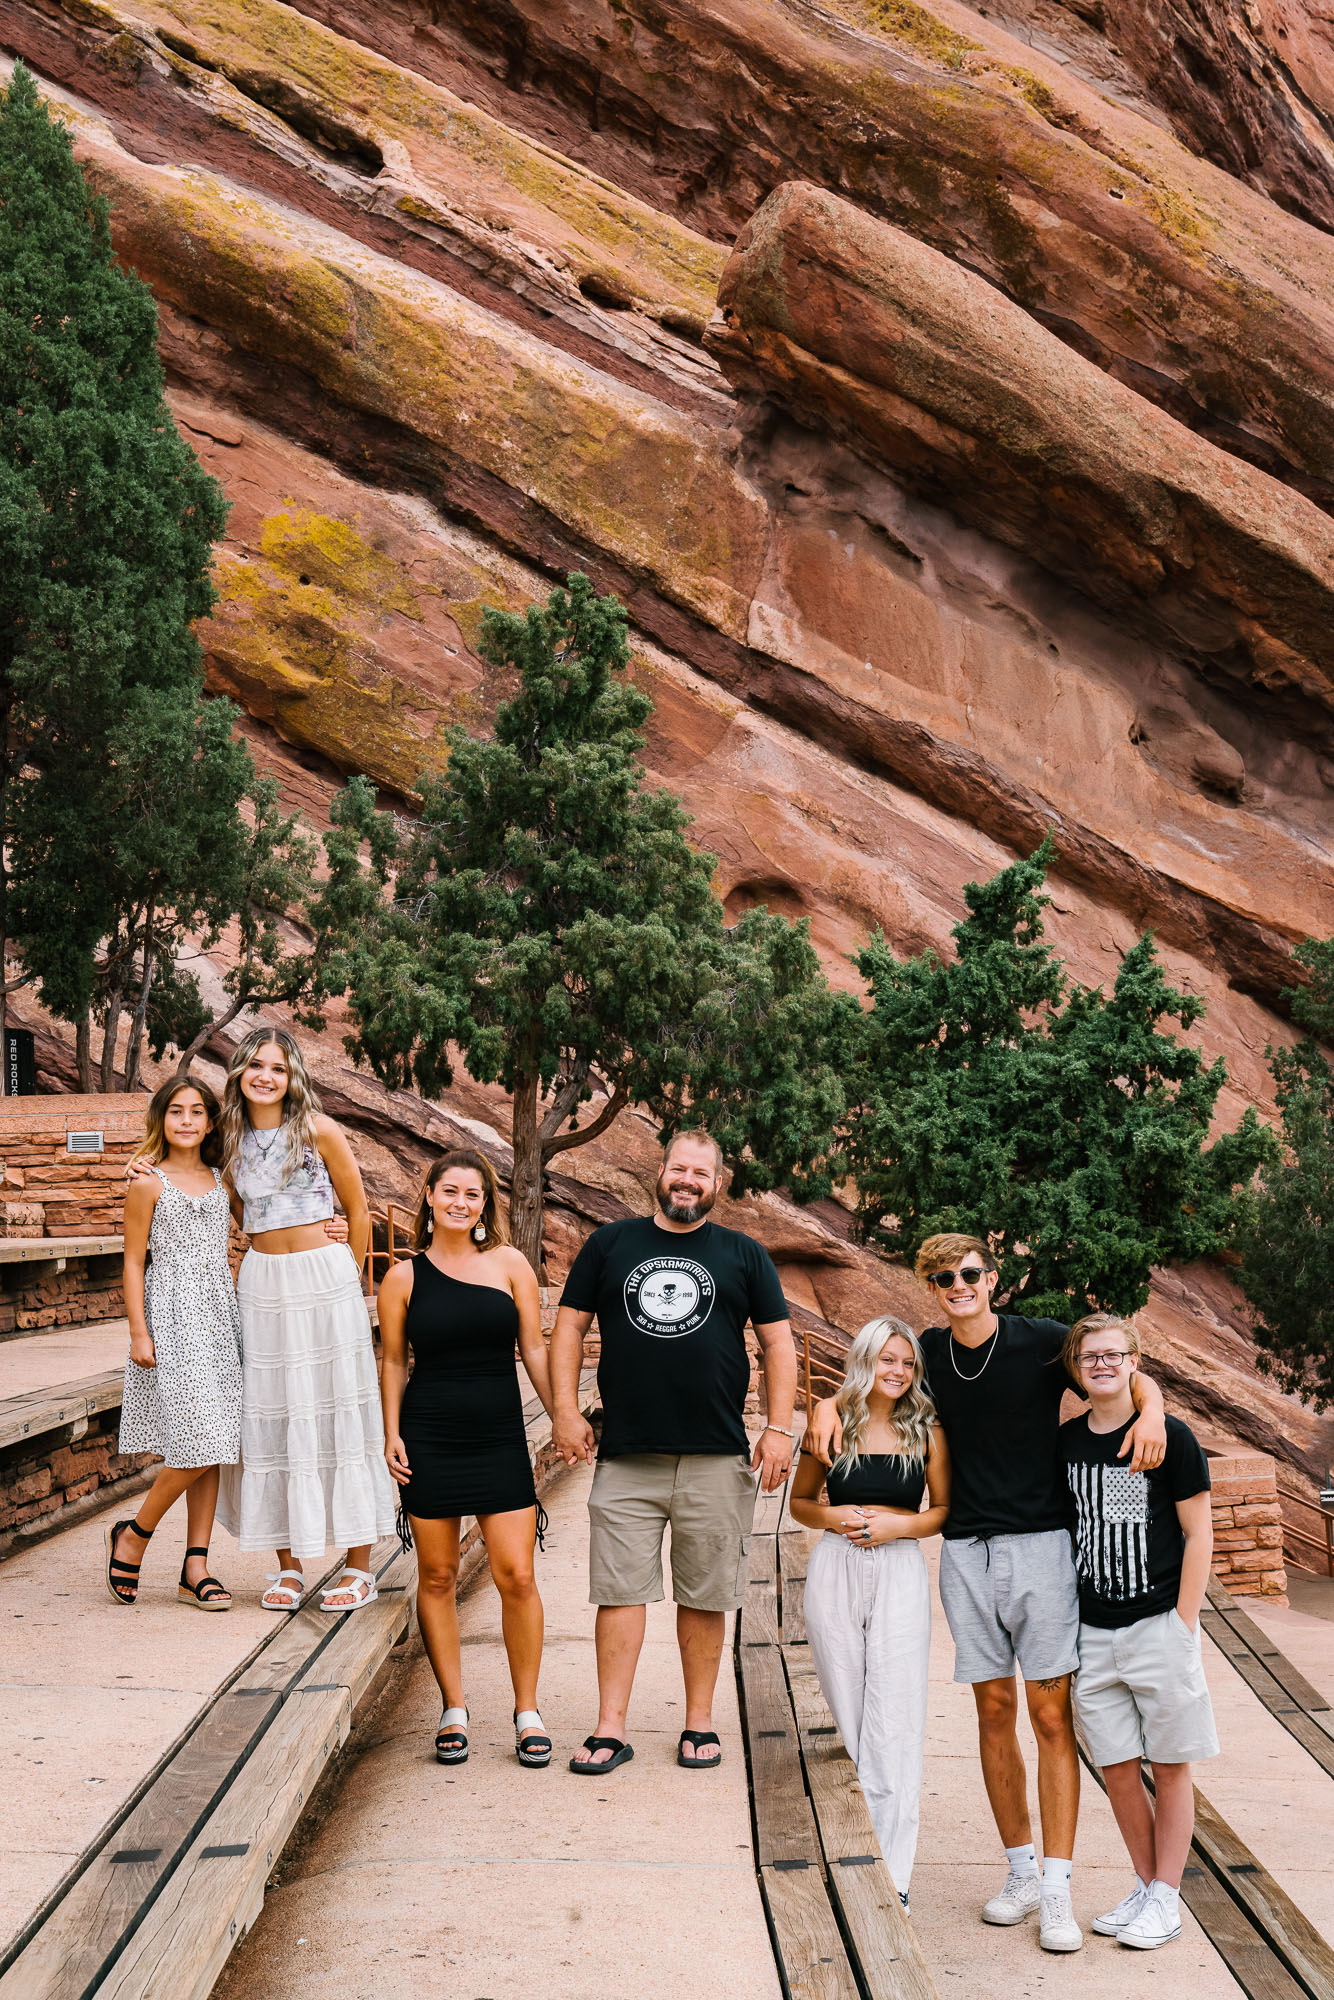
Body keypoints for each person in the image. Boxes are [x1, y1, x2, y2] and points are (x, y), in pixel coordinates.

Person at [807, 1232, 1167, 1953]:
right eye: (943, 1277)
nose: (957, 1284)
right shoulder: (930, 1355)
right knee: (994, 1709)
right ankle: (1021, 1871)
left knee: (1051, 1715)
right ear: (933, 1288)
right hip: (966, 1550)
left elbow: (1116, 1359)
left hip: (1041, 1546)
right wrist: (819, 1405)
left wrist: (1150, 1407)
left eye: (969, 1273)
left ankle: (1060, 1891)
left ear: (993, 1278)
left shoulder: (1041, 1341)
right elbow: (868, 1385)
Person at [550, 1128, 796, 1773]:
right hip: (627, 1454)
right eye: (679, 1170)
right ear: (661, 1172)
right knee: (619, 1592)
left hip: (717, 1454)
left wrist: (778, 1427)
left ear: (718, 1185)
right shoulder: (610, 1244)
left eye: (701, 1174)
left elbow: (778, 1345)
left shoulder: (744, 1254)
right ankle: (610, 1728)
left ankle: (698, 1723)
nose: (688, 1181)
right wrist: (565, 1411)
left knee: (706, 1594)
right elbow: (569, 1327)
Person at [379, 1150, 554, 1768]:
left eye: (473, 1194)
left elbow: (533, 1346)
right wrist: (391, 1432)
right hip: (429, 1437)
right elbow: (395, 1361)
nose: (460, 1202)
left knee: (518, 1575)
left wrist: (562, 1414)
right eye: (449, 1191)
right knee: (437, 1577)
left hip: (499, 1436)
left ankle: (526, 1710)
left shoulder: (510, 1265)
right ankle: (453, 1708)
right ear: (428, 1196)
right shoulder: (402, 1278)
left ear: (486, 1205)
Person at [215, 1026, 396, 1611]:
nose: (265, 1076)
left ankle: (358, 1565)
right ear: (240, 1072)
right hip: (263, 1284)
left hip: (325, 1280)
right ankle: (288, 1566)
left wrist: (348, 1263)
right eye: (255, 1065)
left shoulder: (318, 1129)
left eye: (278, 1067)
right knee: (273, 1412)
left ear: (293, 1077)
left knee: (339, 1404)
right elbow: (237, 1208)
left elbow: (358, 1205)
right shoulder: (231, 1138)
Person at [1060, 1313, 1218, 1951]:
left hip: (1158, 1622)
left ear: (1134, 1361)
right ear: (1076, 1369)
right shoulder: (1067, 1442)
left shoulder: (1170, 1437)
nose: (1101, 1364)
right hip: (1094, 1631)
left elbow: (1198, 1531)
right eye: (1089, 1356)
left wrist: (1184, 1619)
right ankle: (1146, 1886)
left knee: (1172, 1765)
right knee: (1118, 1767)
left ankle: (1169, 1898)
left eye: (1112, 1354)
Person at [788, 1316, 950, 1910]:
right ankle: (857, 1835)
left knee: (897, 1714)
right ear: (864, 1360)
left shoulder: (925, 1430)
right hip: (836, 1565)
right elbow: (803, 1502)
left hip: (901, 1565)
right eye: (887, 1360)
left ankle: (895, 1876)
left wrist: (895, 1526)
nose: (898, 1372)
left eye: (907, 1364)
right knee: (851, 1708)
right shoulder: (833, 1423)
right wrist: (837, 1518)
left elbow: (943, 1510)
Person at [106, 1077, 242, 1610]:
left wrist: (330, 1229)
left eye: (197, 1112)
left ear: (210, 1121)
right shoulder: (148, 1183)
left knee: (216, 1442)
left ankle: (196, 1566)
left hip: (219, 1319)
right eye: (176, 1111)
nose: (186, 1120)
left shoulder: (221, 1180)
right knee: (198, 1438)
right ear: (161, 1119)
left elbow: (263, 1227)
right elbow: (134, 1262)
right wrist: (138, 1330)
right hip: (171, 1318)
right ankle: (135, 1533)